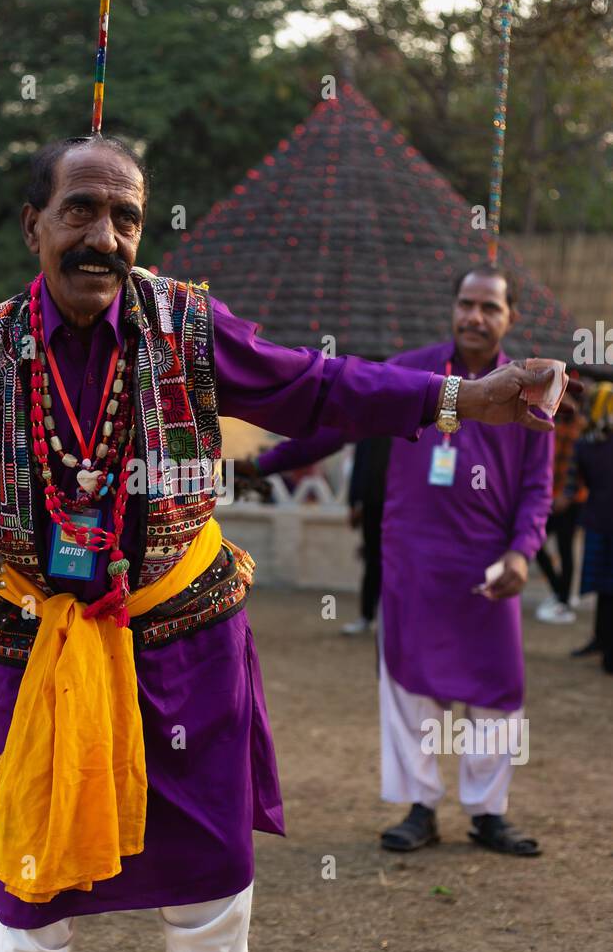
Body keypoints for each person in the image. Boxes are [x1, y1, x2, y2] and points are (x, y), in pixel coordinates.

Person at [0, 135, 556, 952]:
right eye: (78, 210)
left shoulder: (187, 328)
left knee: (209, 878)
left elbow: (316, 386)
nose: (102, 236)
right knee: (27, 881)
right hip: (33, 658)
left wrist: (464, 396)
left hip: (187, 652)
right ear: (33, 225)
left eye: (124, 217)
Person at [255, 265, 556, 860]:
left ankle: (489, 813)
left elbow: (537, 488)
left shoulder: (530, 390)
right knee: (408, 685)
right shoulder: (413, 373)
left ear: (509, 318)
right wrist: (260, 464)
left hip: (489, 567)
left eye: (489, 308)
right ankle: (419, 807)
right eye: (466, 303)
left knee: (497, 688)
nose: (475, 316)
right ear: (453, 308)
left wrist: (522, 553)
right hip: (412, 561)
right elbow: (337, 425)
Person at [565, 381, 613, 674]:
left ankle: (604, 643)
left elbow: (572, 484)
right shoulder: (585, 444)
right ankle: (604, 644)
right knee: (608, 588)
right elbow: (572, 482)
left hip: (596, 518)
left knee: (606, 587)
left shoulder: (585, 443)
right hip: (599, 519)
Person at [534, 390, 584, 624]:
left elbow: (583, 467)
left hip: (570, 499)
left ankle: (563, 600)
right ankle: (559, 592)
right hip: (549, 497)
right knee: (536, 546)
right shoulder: (550, 422)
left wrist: (568, 495)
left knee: (565, 548)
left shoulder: (581, 426)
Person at [340, 436, 391, 635]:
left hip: (398, 505)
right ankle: (367, 616)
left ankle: (391, 619)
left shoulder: (408, 426)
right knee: (372, 560)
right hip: (372, 505)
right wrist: (354, 503)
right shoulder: (368, 429)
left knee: (395, 562)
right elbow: (359, 466)